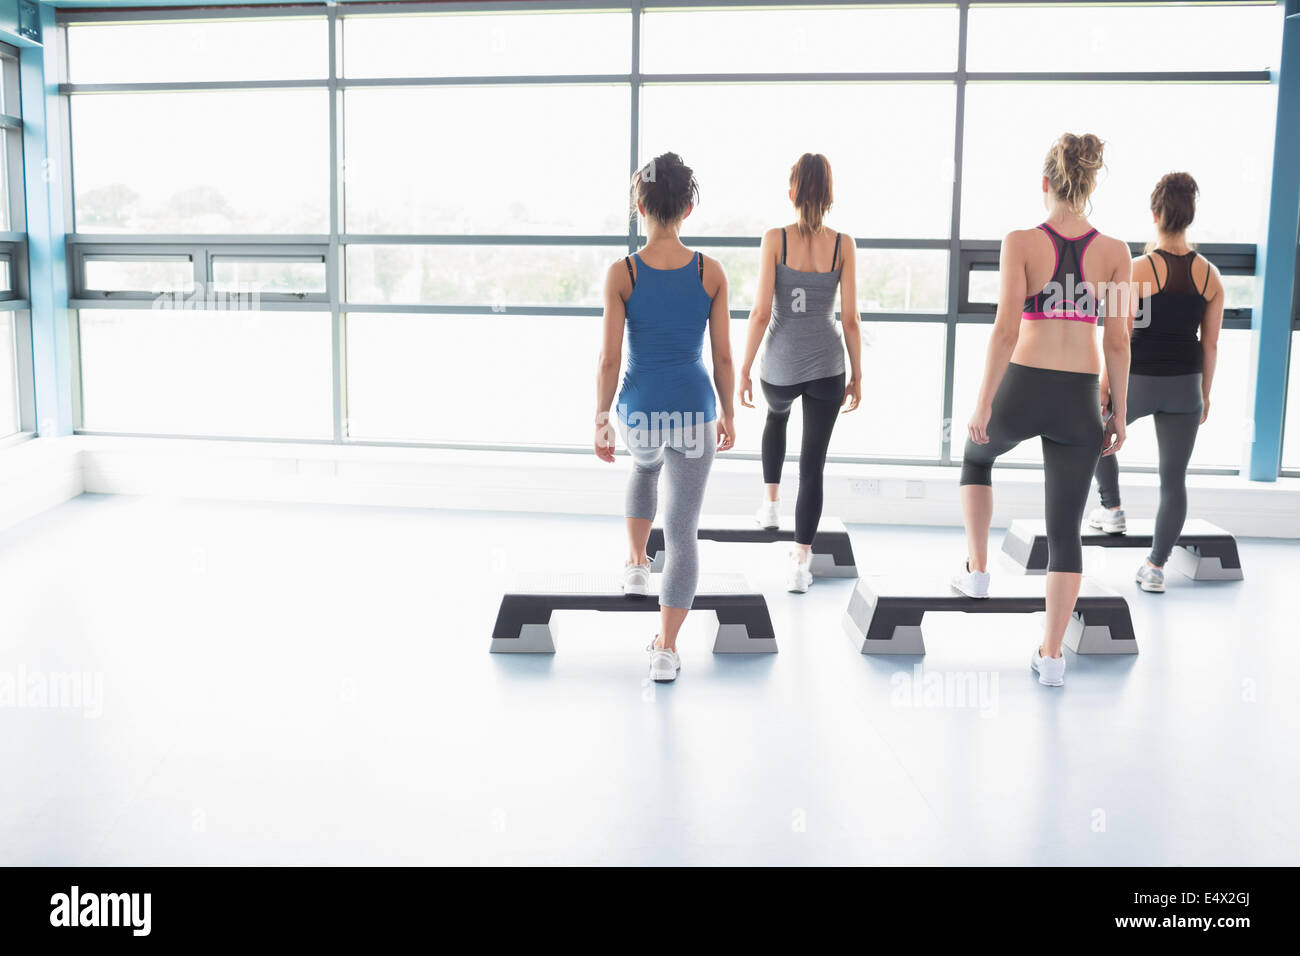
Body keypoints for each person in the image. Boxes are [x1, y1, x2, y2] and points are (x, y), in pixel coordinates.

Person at [953, 133, 1131, 687]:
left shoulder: (1020, 242)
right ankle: (1052, 657)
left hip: (1022, 387)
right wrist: (1118, 412)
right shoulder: (1119, 253)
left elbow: (1007, 330)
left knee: (976, 460)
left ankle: (979, 570)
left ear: (1046, 181)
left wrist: (984, 402)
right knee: (1066, 532)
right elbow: (1120, 342)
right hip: (1079, 398)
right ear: (1092, 183)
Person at [594, 151, 736, 683]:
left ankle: (635, 564)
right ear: (689, 209)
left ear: (639, 205)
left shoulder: (622, 272)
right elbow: (723, 357)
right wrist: (727, 413)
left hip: (638, 412)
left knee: (644, 467)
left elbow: (610, 358)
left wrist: (600, 418)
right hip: (695, 412)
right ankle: (666, 648)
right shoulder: (710, 271)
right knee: (682, 532)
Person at [1087, 173, 1224, 593]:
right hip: (1186, 384)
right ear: (1190, 216)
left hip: (1141, 379)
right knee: (1173, 479)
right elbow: (1212, 345)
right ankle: (1156, 567)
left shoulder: (1139, 268)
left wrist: (1106, 387)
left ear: (1155, 215)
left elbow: (1120, 335)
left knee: (1091, 432)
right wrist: (1204, 394)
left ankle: (1112, 508)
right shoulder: (1211, 276)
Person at [737, 153, 862, 593]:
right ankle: (799, 564)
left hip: (781, 365)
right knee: (813, 467)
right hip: (828, 366)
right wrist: (858, 373)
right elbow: (850, 320)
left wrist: (745, 368)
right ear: (830, 196)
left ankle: (770, 505)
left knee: (776, 418)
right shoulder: (843, 244)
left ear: (791, 193)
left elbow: (759, 312)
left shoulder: (776, 238)